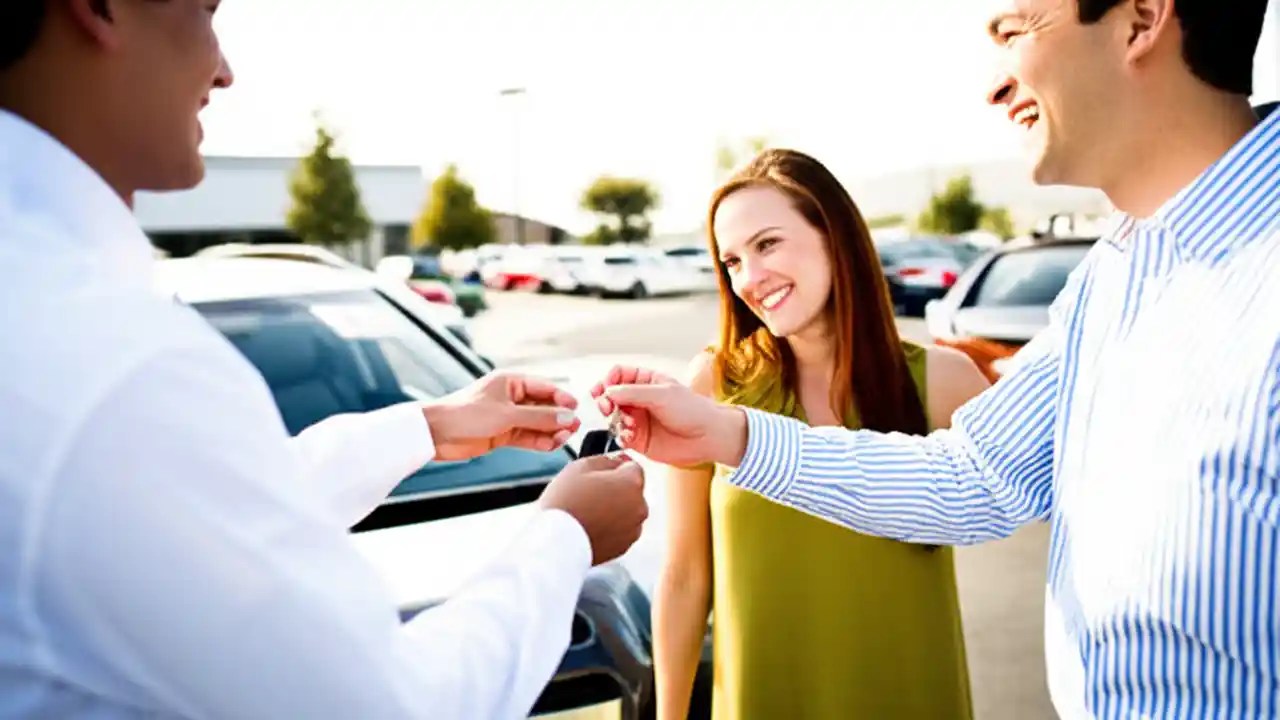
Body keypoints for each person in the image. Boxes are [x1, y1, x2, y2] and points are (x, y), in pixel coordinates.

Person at [594, 0, 1280, 716]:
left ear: (1141, 19)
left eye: (1016, 31)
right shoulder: (1110, 282)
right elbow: (973, 477)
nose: (994, 86)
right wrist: (729, 433)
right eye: (732, 258)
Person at [0, 2, 648, 718]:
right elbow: (395, 708)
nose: (225, 71)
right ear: (97, 8)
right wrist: (565, 539)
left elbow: (187, 527)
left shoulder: (41, 308)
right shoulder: (114, 359)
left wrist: (434, 425)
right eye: (206, 11)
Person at [653, 148, 989, 719]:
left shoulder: (943, 381)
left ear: (834, 236)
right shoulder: (714, 385)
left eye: (767, 244)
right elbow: (686, 575)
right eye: (731, 261)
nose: (750, 279)